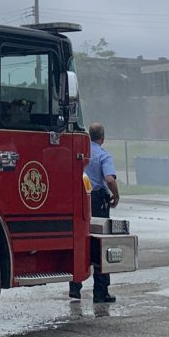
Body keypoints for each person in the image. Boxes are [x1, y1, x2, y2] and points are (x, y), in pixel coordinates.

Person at [69, 122, 119, 303]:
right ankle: (101, 291)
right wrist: (116, 195)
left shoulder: (80, 152)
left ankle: (75, 287)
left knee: (79, 241)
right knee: (100, 243)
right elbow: (109, 179)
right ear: (102, 138)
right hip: (97, 201)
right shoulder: (103, 155)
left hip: (78, 198)